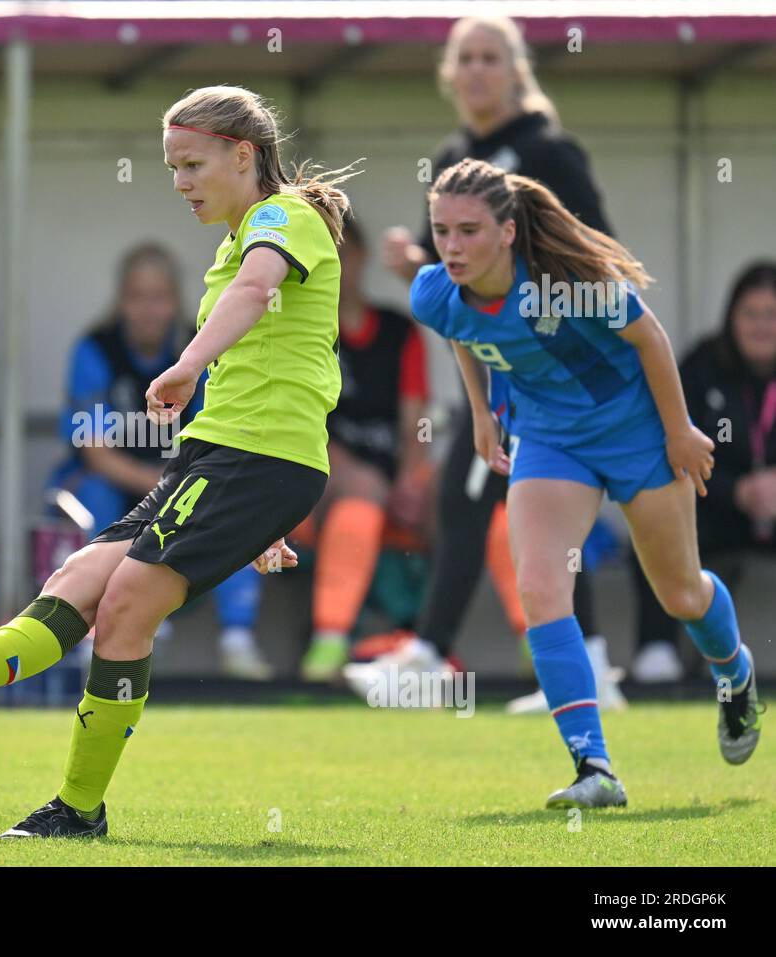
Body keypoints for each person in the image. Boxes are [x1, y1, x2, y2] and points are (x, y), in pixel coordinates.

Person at [0, 84, 354, 838]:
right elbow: (269, 358)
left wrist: (188, 367)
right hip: (228, 463)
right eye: (171, 169)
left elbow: (257, 293)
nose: (180, 184)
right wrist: (259, 514)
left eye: (191, 165)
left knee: (124, 609)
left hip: (254, 462)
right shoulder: (238, 239)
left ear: (242, 155)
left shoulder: (281, 218)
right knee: (76, 583)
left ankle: (78, 809)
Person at [411, 157, 762, 809]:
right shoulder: (434, 291)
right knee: (542, 588)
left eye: (468, 231)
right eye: (441, 232)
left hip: (637, 433)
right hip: (549, 441)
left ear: (509, 231)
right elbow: (460, 330)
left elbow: (650, 336)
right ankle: (594, 766)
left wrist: (680, 428)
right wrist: (485, 413)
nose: (452, 248)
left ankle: (734, 672)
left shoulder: (565, 281)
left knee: (680, 593)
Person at [376, 14, 624, 710]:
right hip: (495, 367)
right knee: (476, 502)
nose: (478, 70)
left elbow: (597, 249)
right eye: (467, 58)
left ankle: (435, 653)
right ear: (449, 74)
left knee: (502, 505)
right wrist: (418, 267)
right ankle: (587, 665)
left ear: (517, 69)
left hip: (554, 366)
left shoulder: (549, 152)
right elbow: (463, 277)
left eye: (491, 57)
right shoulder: (453, 155)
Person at [50, 242, 273, 679]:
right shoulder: (97, 350)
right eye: (137, 297)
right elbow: (94, 453)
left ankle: (238, 639)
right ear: (121, 301)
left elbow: (221, 439)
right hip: (120, 485)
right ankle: (88, 631)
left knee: (234, 500)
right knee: (94, 495)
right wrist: (161, 485)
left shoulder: (199, 348)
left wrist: (175, 487)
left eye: (159, 297)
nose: (148, 310)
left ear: (175, 301)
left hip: (184, 481)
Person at [293, 216, 435, 680]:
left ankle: (438, 646)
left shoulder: (398, 330)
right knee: (361, 502)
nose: (336, 266)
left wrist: (413, 480)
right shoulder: (301, 332)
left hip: (391, 479)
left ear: (362, 257)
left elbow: (417, 420)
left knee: (466, 498)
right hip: (315, 486)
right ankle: (329, 642)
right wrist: (358, 474)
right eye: (323, 258)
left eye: (343, 254)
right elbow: (299, 424)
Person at [632, 263, 776, 682]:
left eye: (771, 315)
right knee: (651, 525)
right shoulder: (703, 365)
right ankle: (656, 651)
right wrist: (736, 492)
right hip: (715, 509)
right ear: (732, 316)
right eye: (750, 314)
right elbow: (668, 443)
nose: (761, 326)